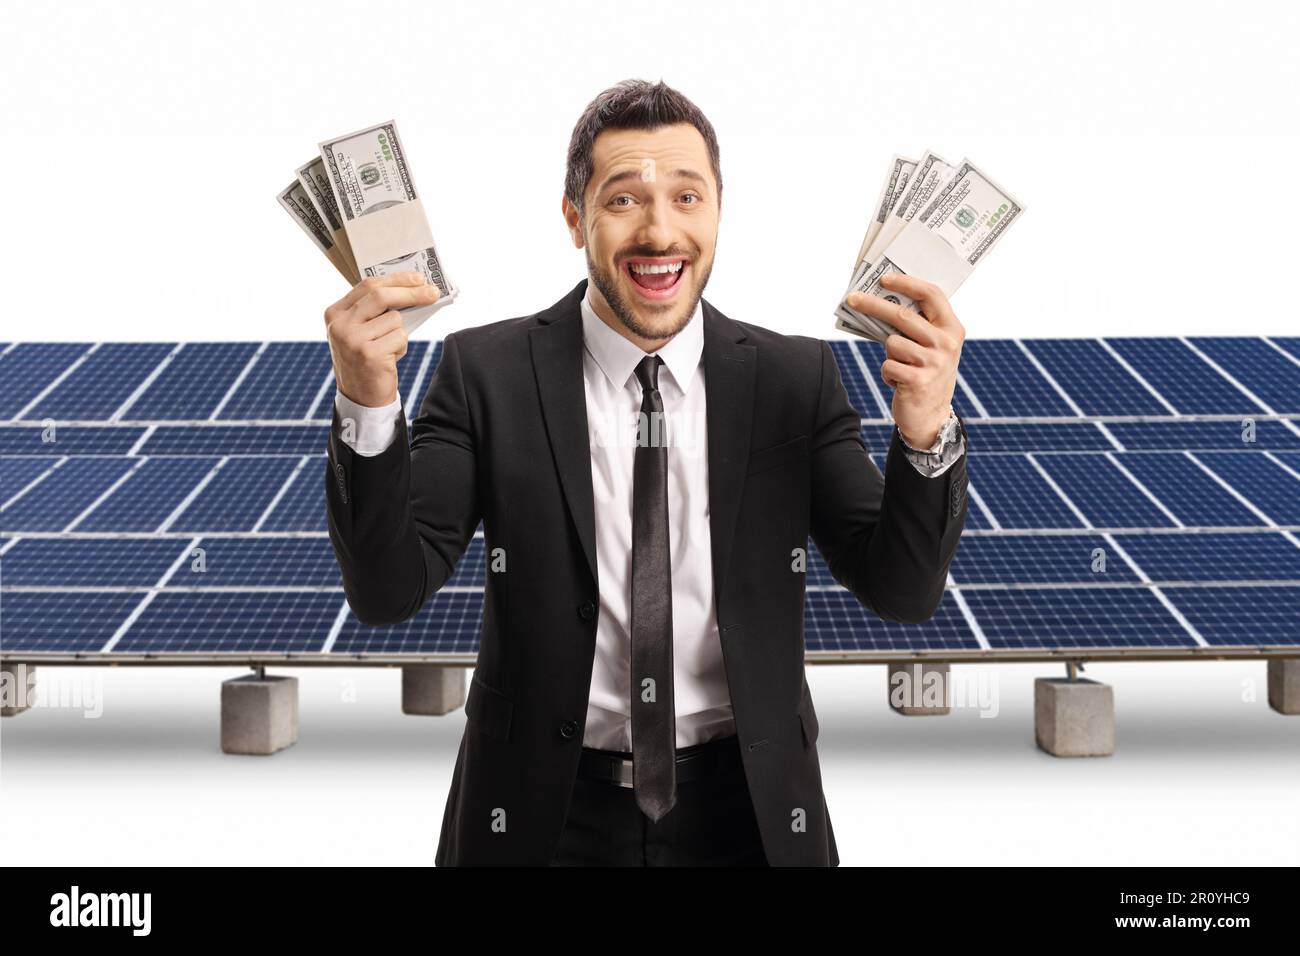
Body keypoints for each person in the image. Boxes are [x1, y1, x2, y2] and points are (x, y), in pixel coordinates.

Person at [322, 79, 969, 866]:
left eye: (688, 196)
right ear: (575, 219)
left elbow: (901, 591)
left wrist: (927, 427)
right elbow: (389, 590)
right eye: (624, 199)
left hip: (751, 816)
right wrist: (367, 404)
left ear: (718, 212)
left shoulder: (797, 381)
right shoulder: (485, 373)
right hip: (539, 816)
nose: (661, 231)